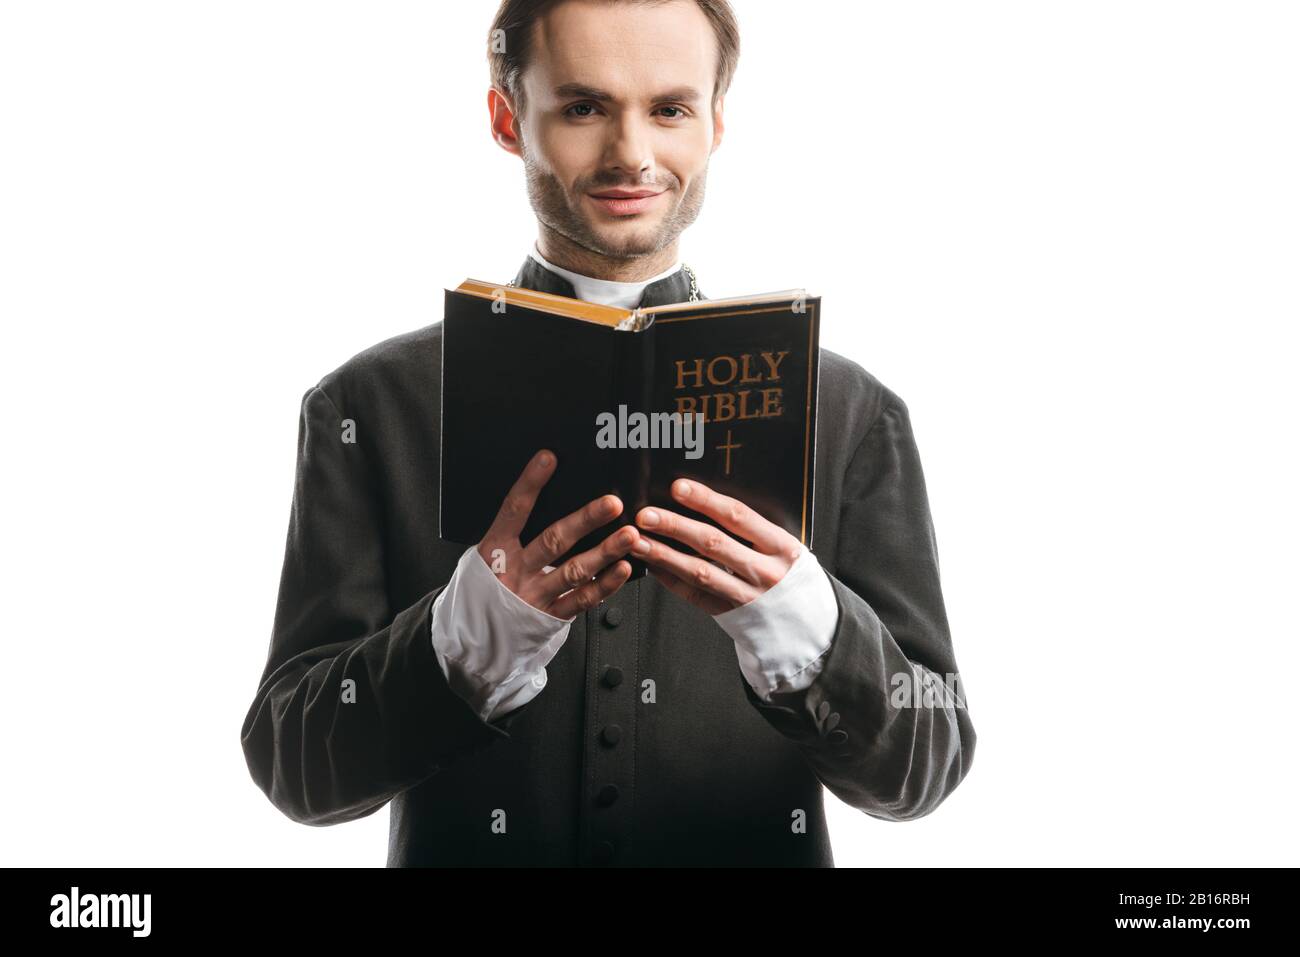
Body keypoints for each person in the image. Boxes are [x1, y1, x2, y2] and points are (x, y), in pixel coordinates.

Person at [240, 0, 976, 867]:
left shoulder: (850, 411)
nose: (633, 154)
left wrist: (806, 624)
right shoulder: (367, 404)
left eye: (670, 109)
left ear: (716, 124)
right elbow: (295, 765)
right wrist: (464, 636)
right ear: (508, 120)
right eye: (585, 107)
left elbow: (927, 764)